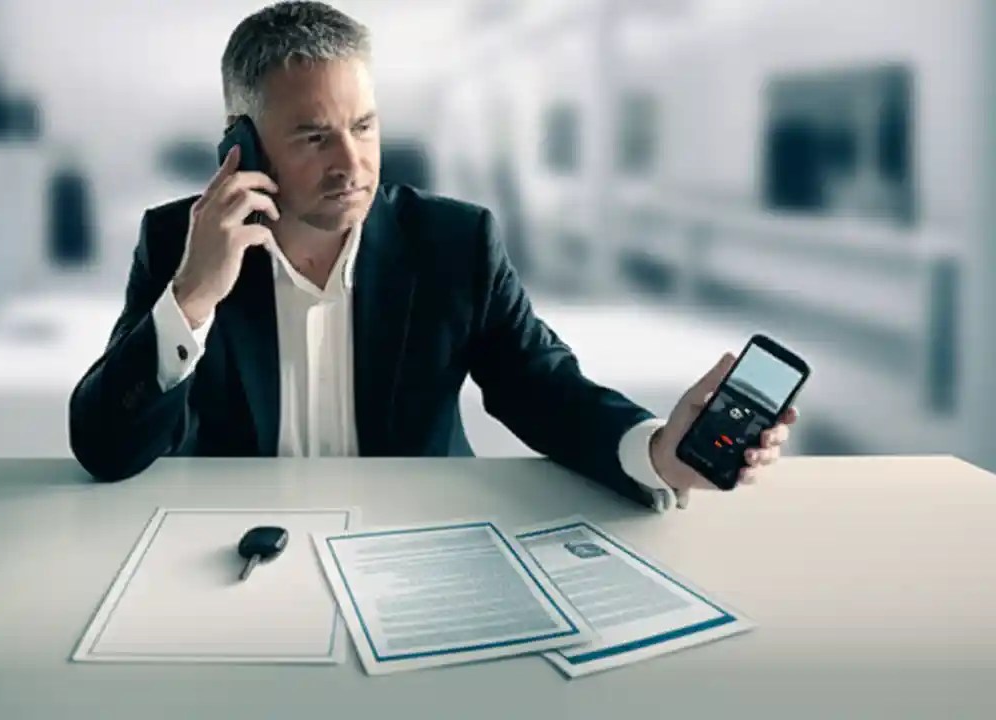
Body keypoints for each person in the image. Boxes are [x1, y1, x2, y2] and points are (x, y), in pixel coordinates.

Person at [68, 1, 799, 511]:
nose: (352, 164)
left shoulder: (455, 244)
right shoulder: (179, 242)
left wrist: (658, 449)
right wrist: (193, 296)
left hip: (421, 546)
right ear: (244, 146)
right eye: (314, 137)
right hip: (241, 551)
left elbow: (542, 386)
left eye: (364, 126)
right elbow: (105, 449)